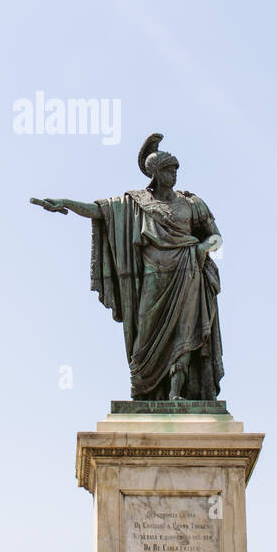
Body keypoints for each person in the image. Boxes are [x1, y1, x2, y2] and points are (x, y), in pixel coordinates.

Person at [34, 133, 224, 401]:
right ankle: (143, 390)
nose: (174, 175)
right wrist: (65, 203)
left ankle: (175, 393)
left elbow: (216, 236)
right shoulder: (135, 204)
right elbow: (99, 211)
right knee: (144, 335)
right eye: (169, 170)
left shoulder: (192, 203)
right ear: (156, 173)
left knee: (185, 331)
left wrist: (204, 248)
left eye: (176, 170)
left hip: (188, 271)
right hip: (153, 276)